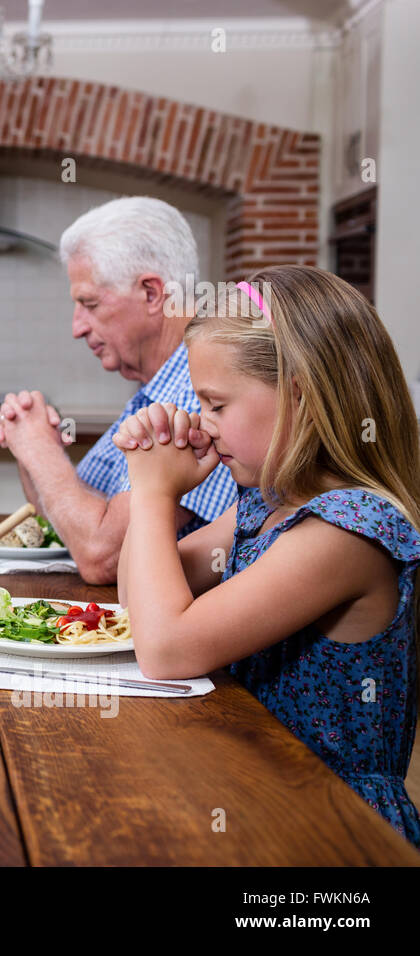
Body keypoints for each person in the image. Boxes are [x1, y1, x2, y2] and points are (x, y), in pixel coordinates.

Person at [114, 265, 420, 845]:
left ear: (300, 392)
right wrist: (158, 481)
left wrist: (152, 495)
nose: (203, 423)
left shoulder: (349, 530)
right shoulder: (268, 506)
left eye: (216, 404)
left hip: (334, 824)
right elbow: (140, 600)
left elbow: (166, 648)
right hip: (259, 787)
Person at [0, 197, 236, 584]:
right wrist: (31, 444)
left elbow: (101, 557)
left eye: (89, 303)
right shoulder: (155, 388)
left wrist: (41, 451)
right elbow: (62, 524)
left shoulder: (199, 394)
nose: (77, 327)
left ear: (152, 294)